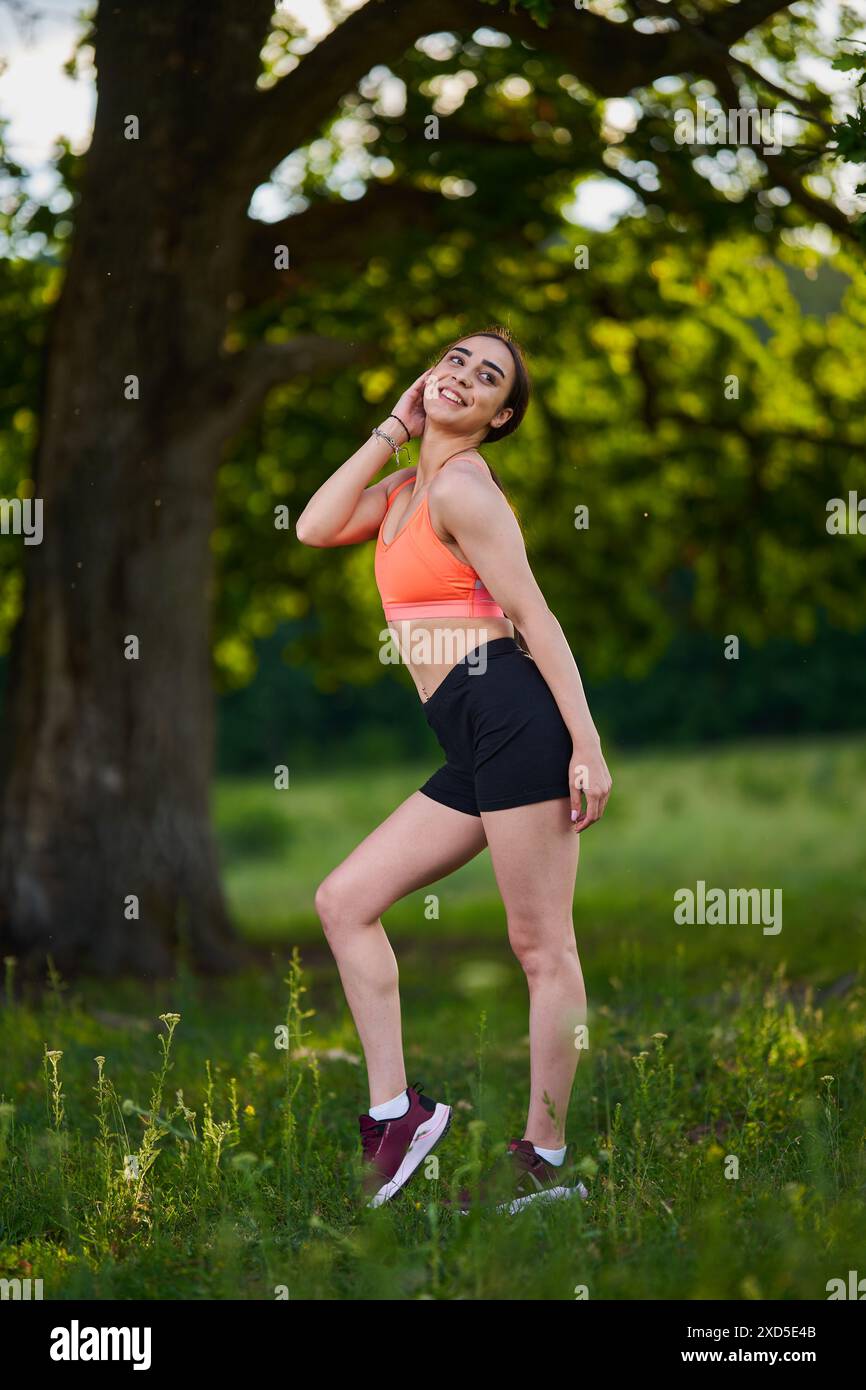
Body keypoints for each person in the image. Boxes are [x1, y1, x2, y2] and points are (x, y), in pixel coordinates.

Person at [295, 327, 612, 1212]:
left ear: (499, 415)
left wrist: (586, 745)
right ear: (428, 376)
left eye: (487, 379)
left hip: (511, 714)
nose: (463, 379)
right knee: (344, 901)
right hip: (467, 733)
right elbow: (315, 525)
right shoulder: (404, 490)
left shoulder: (467, 489)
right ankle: (397, 1115)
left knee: (542, 948)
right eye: (455, 363)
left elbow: (535, 617)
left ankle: (544, 1161)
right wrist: (390, 431)